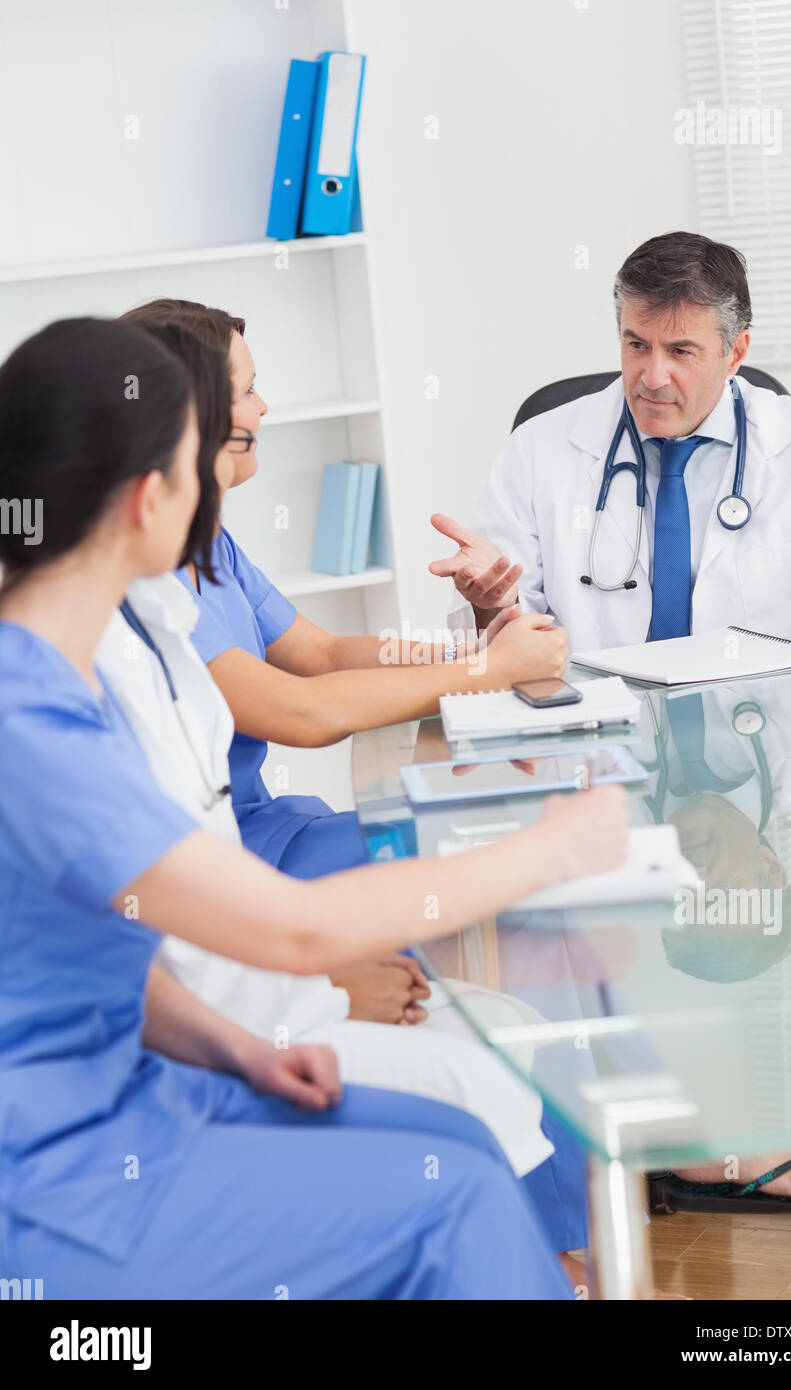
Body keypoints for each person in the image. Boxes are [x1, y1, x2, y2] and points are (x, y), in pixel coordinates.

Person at [0, 317, 627, 1299]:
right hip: (61, 1184)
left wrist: (241, 1047)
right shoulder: (31, 707)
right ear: (147, 497)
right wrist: (555, 845)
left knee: (459, 1141)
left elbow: (102, 950)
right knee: (453, 1198)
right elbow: (291, 930)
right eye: (198, 454)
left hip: (159, 1088)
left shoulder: (80, 656)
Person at [119, 298, 569, 878]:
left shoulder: (209, 546)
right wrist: (488, 675)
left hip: (253, 828)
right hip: (206, 865)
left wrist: (475, 655)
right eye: (249, 391)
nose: (263, 407)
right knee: (482, 858)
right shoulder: (143, 575)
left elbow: (322, 655)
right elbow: (304, 713)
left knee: (481, 839)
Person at [430, 231, 791, 649]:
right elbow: (498, 639)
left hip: (757, 710)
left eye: (680, 351)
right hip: (594, 708)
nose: (653, 378)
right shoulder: (536, 449)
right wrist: (496, 605)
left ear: (735, 353)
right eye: (637, 345)